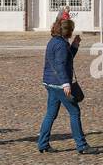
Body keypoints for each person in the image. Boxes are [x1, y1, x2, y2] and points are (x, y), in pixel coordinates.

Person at [37, 16, 93, 154]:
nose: (73, 32)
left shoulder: (54, 41)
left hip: (50, 82)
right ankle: (81, 145)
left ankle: (43, 144)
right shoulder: (61, 44)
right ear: (67, 30)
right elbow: (60, 65)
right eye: (72, 30)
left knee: (51, 114)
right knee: (74, 112)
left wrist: (74, 46)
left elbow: (66, 58)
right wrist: (65, 83)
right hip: (59, 84)